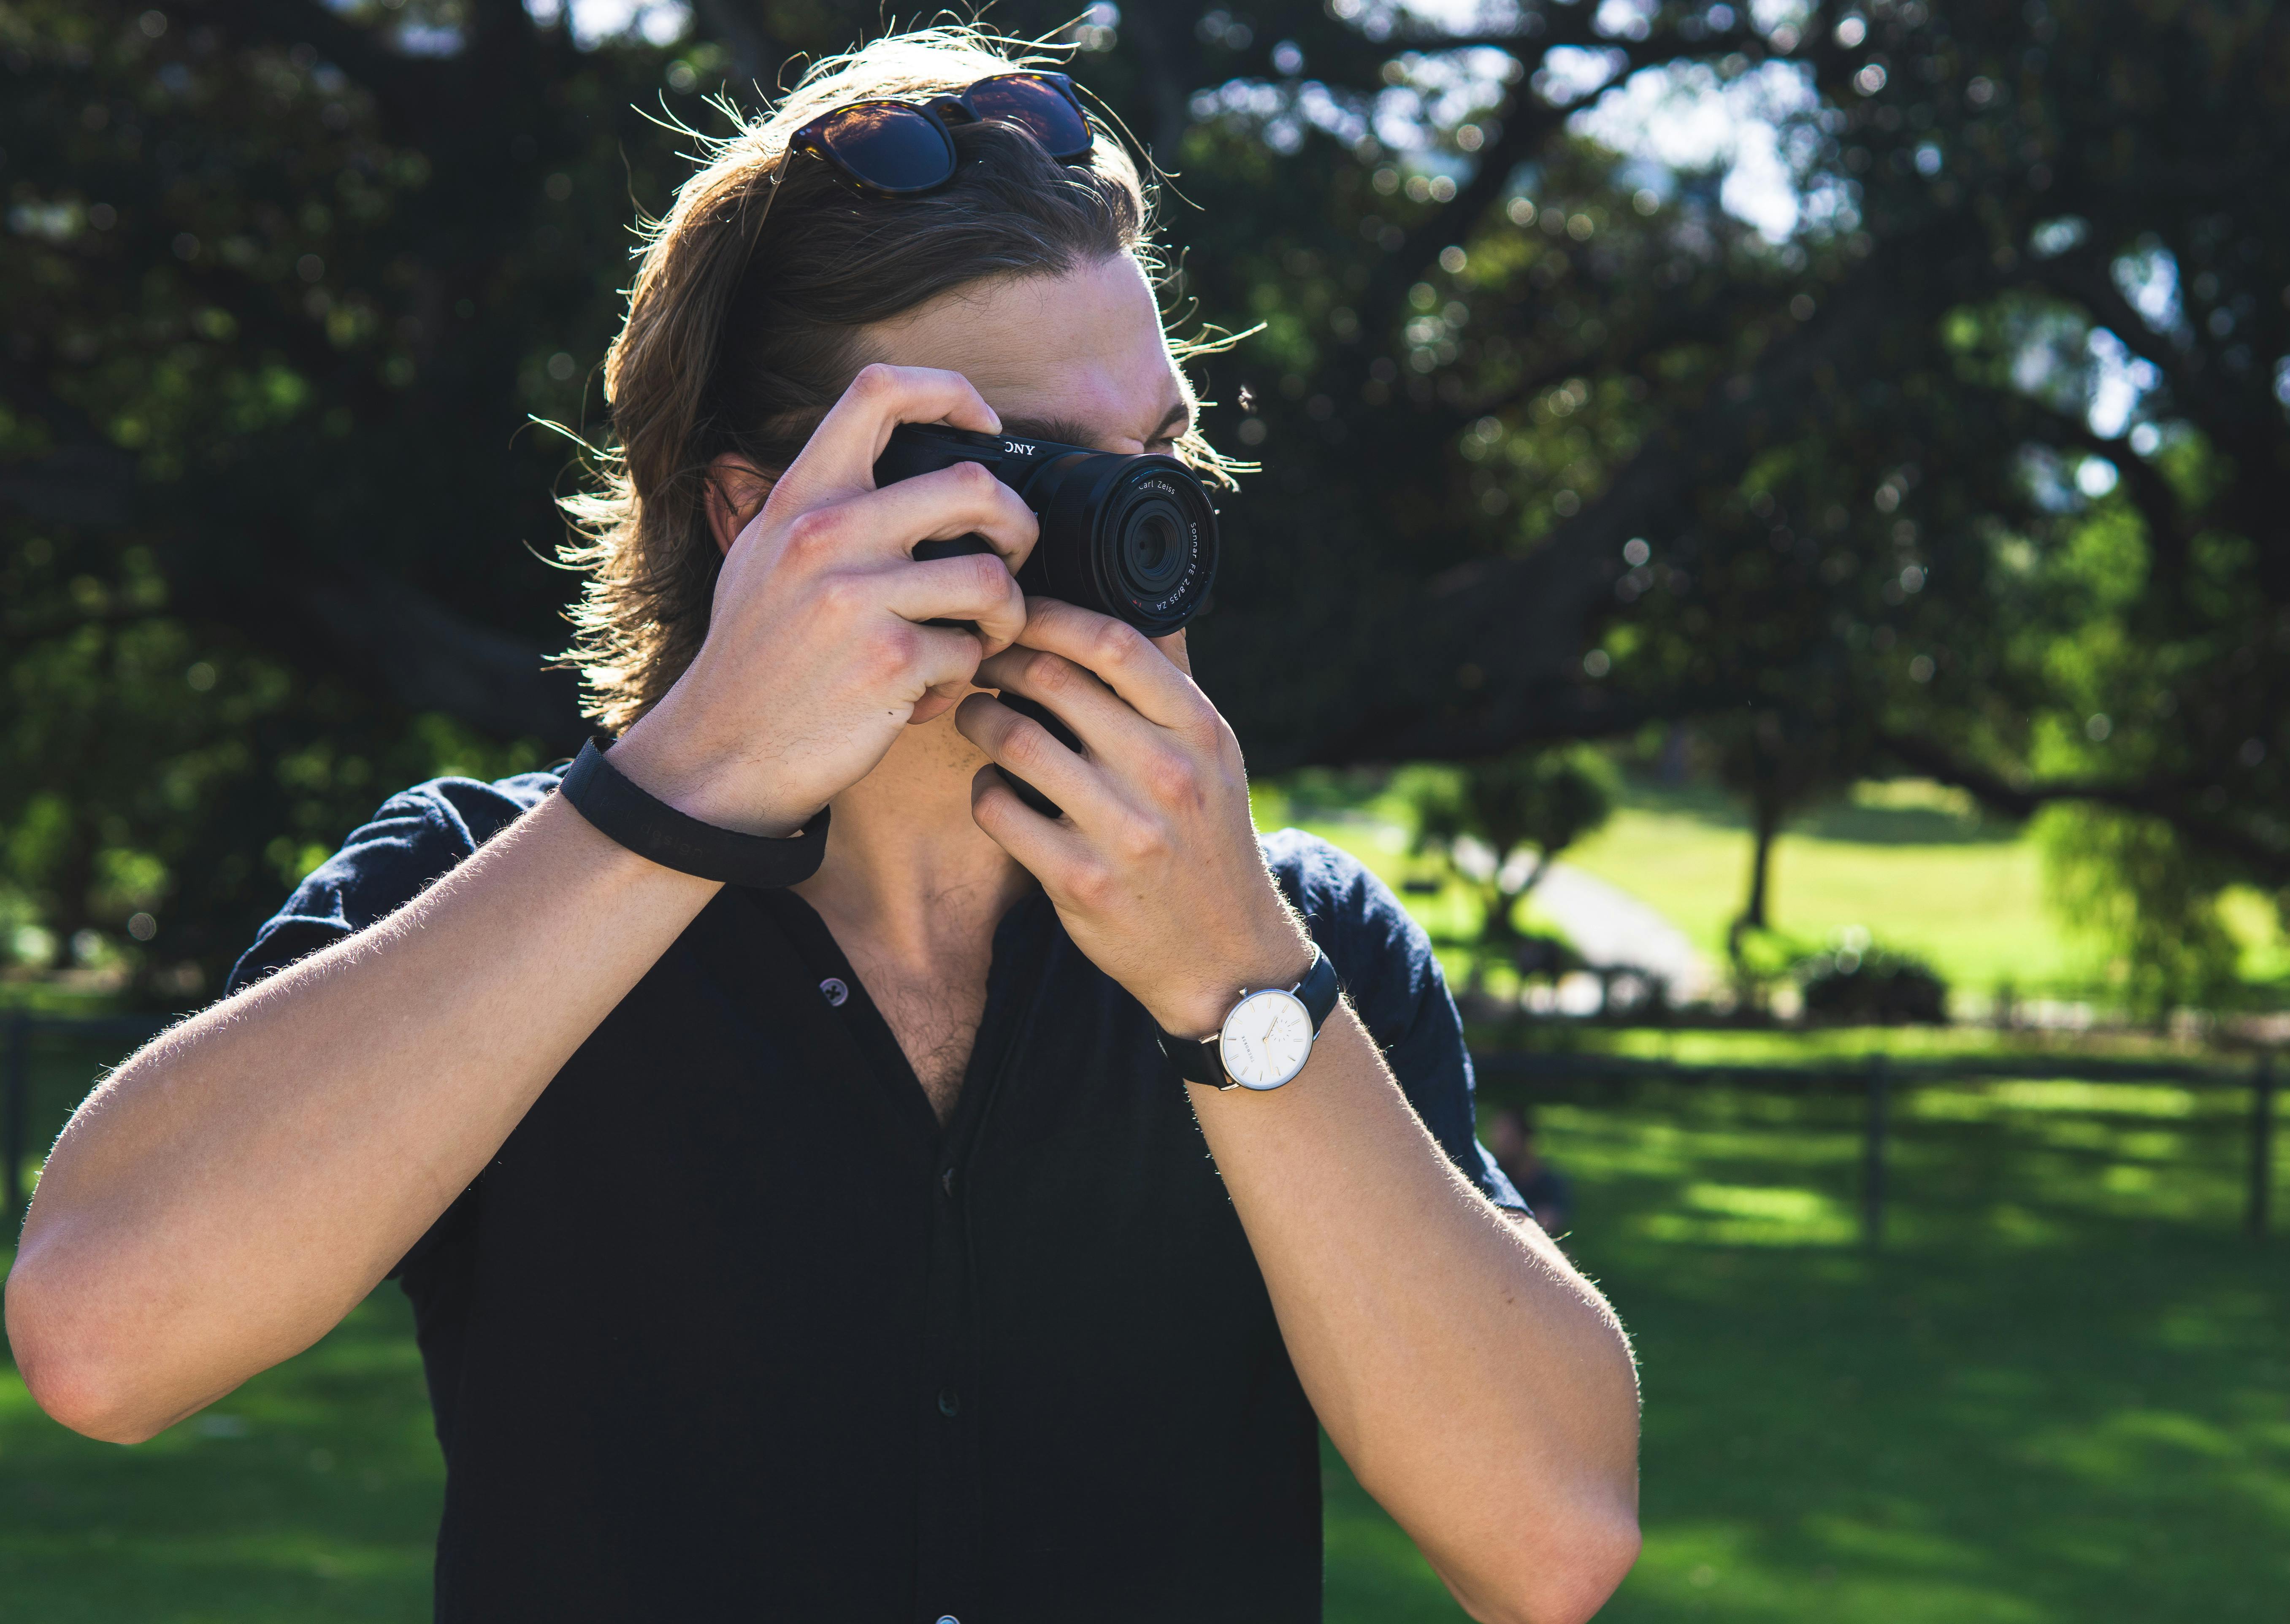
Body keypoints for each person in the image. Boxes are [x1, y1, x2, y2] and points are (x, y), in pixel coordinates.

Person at [4, 30, 1641, 1623]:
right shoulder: (482, 891)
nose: (1145, 530)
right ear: (755, 506)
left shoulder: (1296, 952)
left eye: (1158, 456)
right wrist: (686, 781)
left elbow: (1549, 1545)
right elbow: (103, 1341)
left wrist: (1234, 988)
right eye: (1034, 472)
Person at [1488, 1105, 1574, 1235]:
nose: (1499, 1143)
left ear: (1526, 1139)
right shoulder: (1493, 1178)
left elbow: (1544, 1226)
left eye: (1508, 1137)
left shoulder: (1549, 1184)